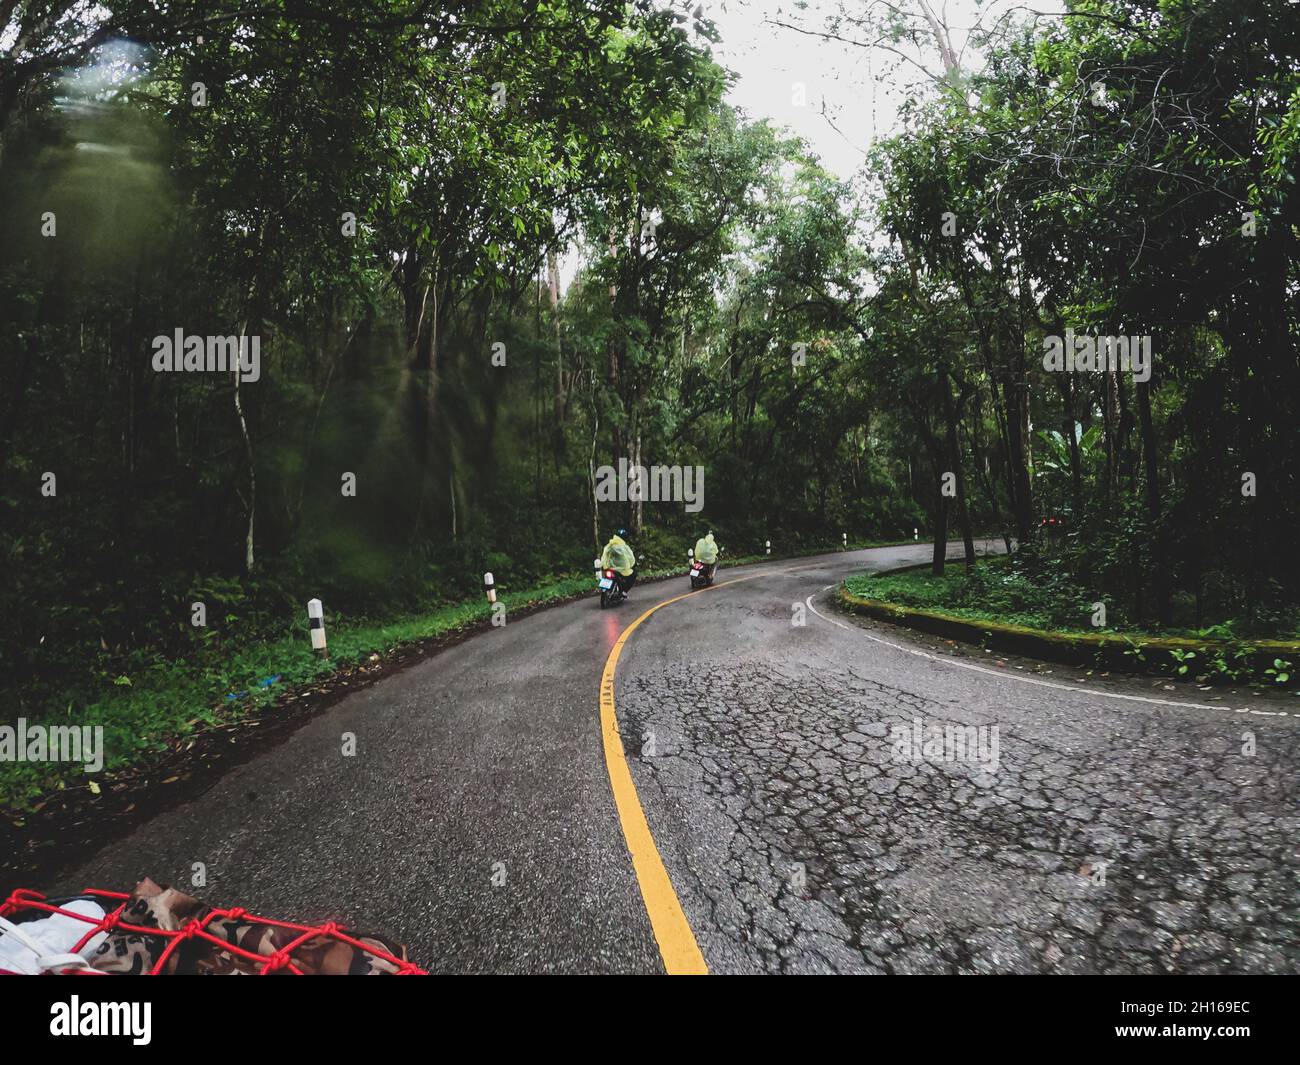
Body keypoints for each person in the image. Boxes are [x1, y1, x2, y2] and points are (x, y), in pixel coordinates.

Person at [601, 529, 637, 595]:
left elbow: (604, 556)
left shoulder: (609, 545)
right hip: (621, 570)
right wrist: (633, 564)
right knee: (633, 574)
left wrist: (603, 566)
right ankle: (624, 591)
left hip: (608, 568)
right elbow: (630, 558)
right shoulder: (624, 547)